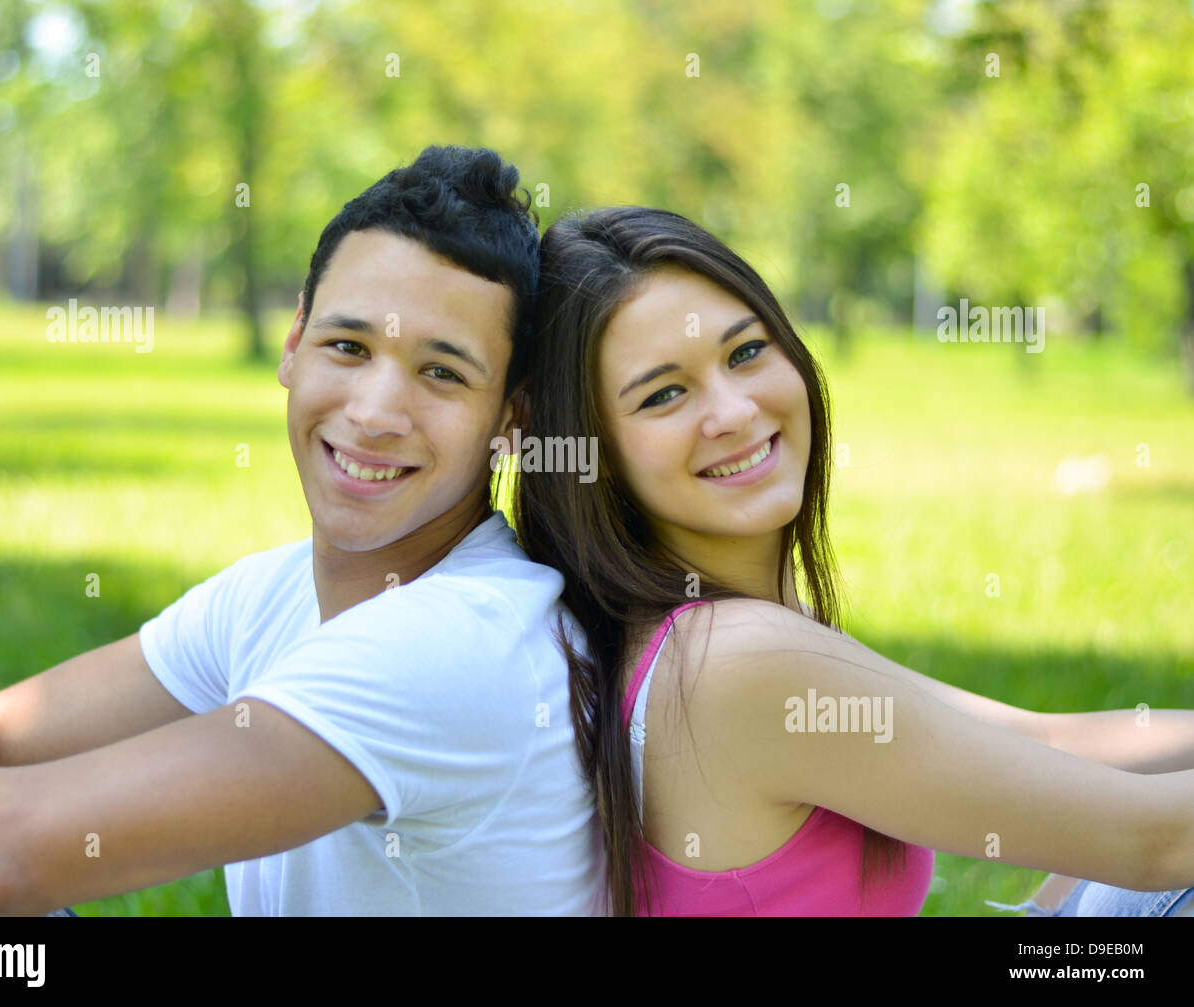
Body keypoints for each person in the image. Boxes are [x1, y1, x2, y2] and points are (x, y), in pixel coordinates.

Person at [0, 145, 605, 916]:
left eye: (442, 373)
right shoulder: (266, 597)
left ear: (511, 417)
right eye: (348, 345)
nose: (371, 412)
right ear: (293, 342)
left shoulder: (465, 644)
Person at [508, 204, 1194, 917]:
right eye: (665, 393)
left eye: (745, 352)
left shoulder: (700, 640)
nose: (735, 411)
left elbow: (1047, 743)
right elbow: (1150, 838)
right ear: (595, 457)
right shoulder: (734, 662)